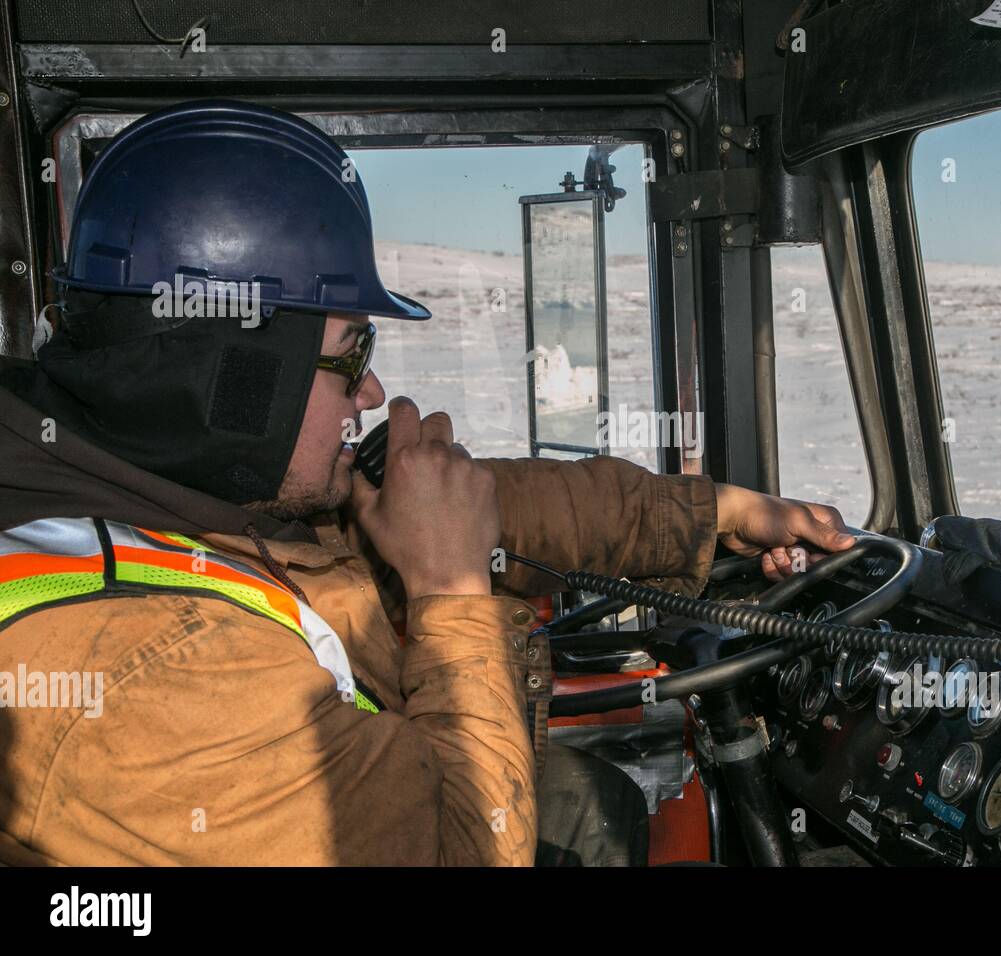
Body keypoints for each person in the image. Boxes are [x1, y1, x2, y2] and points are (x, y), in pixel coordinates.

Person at [0, 100, 857, 866]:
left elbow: (502, 505)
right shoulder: (141, 680)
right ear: (235, 381)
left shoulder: (187, 486)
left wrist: (711, 517)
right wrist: (449, 589)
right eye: (351, 354)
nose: (372, 393)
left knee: (597, 807)